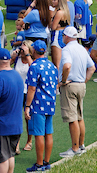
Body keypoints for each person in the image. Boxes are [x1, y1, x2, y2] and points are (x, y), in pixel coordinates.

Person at [57, 26, 93, 159]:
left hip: (70, 85)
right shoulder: (82, 49)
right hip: (81, 85)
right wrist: (84, 80)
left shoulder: (67, 49)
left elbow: (67, 65)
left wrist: (64, 80)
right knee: (79, 116)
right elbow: (92, 67)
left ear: (67, 36)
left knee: (72, 118)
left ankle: (75, 148)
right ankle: (81, 145)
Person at [22, 40, 57, 172]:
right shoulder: (52, 66)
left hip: (38, 104)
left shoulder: (34, 67)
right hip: (50, 103)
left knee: (39, 134)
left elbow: (31, 88)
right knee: (48, 133)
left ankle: (39, 164)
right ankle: (46, 162)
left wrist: (27, 106)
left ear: (33, 51)